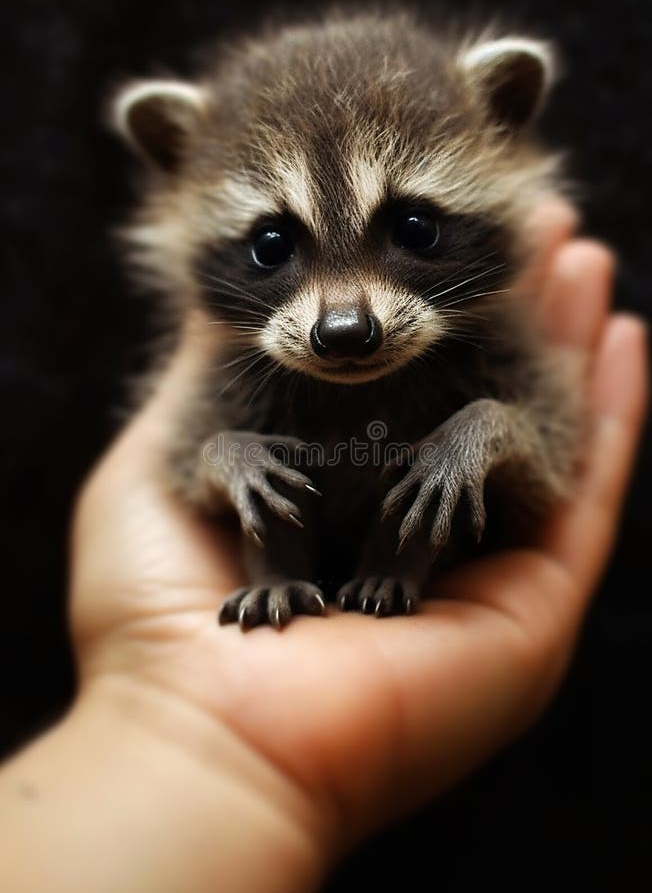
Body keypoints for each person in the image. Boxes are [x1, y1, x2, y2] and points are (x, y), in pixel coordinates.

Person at [0, 202, 647, 893]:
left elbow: (544, 452)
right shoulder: (239, 362)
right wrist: (231, 457)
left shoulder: (492, 337)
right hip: (290, 578)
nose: (343, 320)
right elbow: (195, 462)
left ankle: (395, 569)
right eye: (275, 246)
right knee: (251, 462)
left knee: (450, 466)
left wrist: (481, 434)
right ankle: (278, 575)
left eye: (412, 234)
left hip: (438, 607)